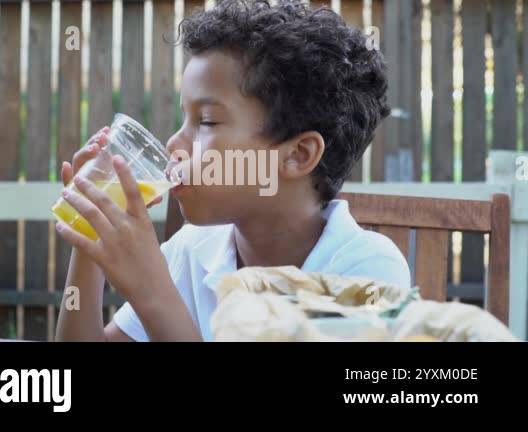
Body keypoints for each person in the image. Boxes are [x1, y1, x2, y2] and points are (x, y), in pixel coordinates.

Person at [55, 0, 410, 342]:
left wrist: (154, 293)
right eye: (184, 117)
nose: (174, 144)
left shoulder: (366, 272)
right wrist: (91, 232)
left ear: (299, 155)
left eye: (206, 121)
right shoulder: (192, 251)